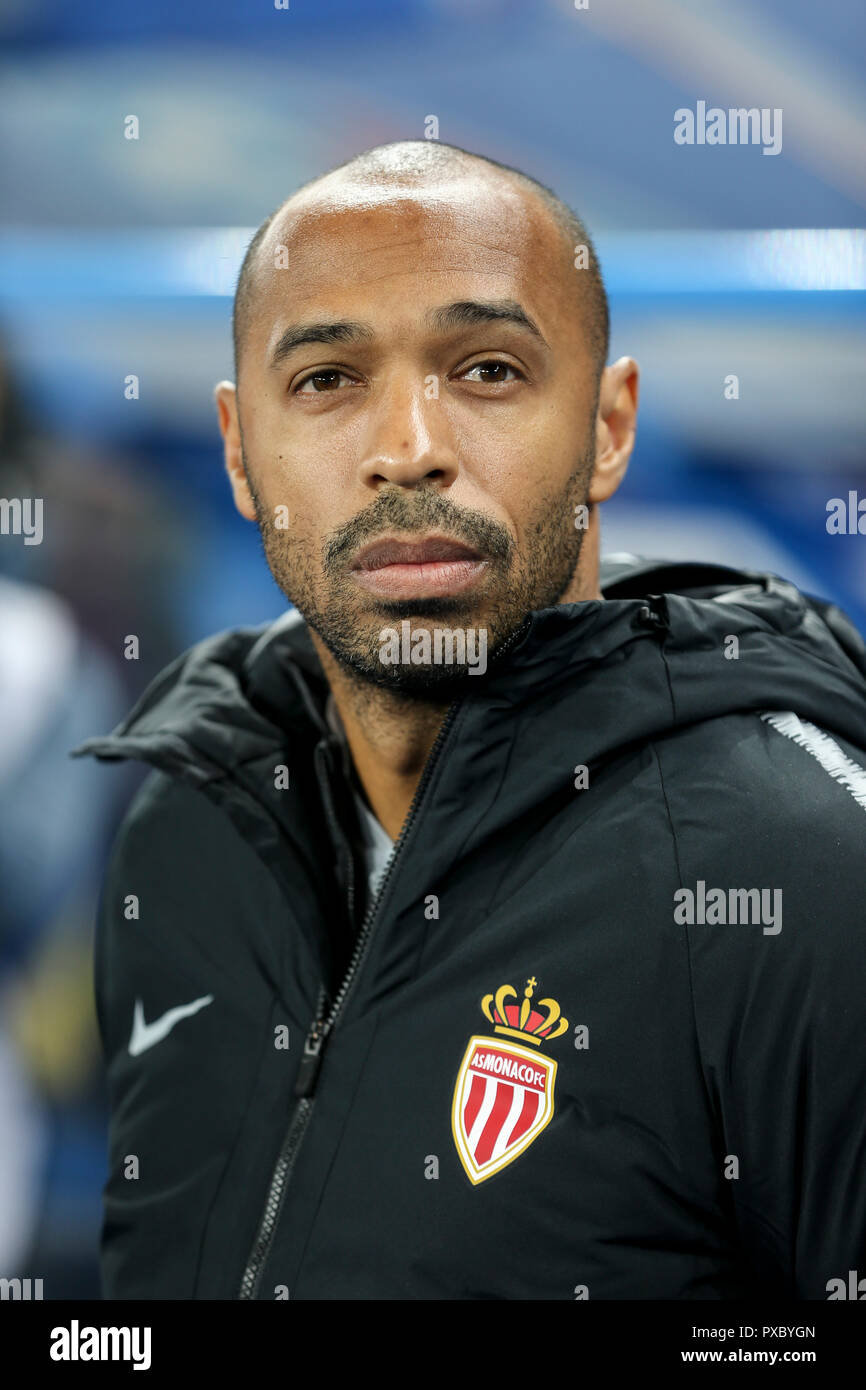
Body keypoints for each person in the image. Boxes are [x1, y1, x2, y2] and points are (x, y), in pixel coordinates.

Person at [72, 140, 866, 1301]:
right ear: (241, 452)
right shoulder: (186, 831)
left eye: (486, 369)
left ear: (607, 427)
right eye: (327, 380)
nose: (408, 450)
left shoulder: (795, 870)